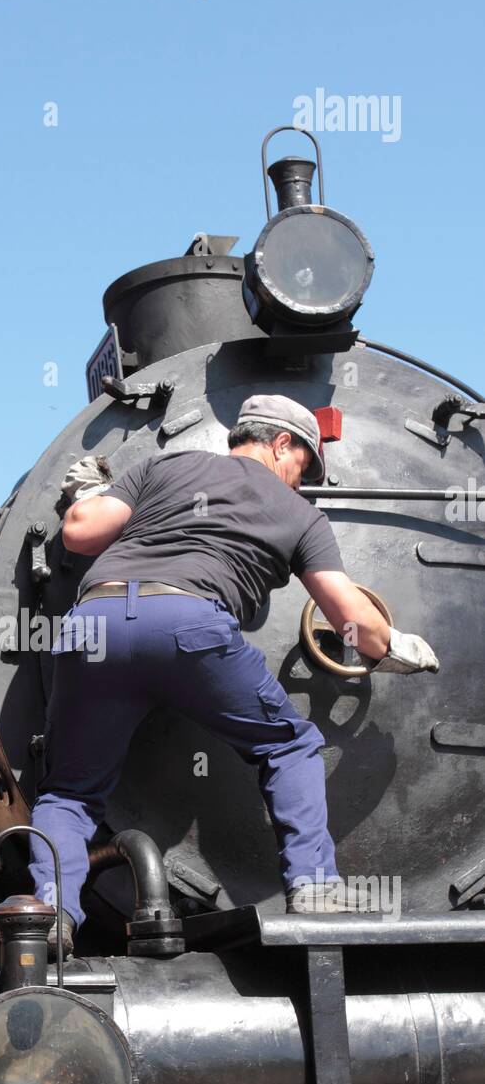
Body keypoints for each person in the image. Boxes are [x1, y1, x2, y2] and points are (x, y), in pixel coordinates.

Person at [28, 394, 439, 957]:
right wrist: (395, 645)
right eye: (304, 466)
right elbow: (349, 618)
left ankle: (51, 916)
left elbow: (79, 531)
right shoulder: (298, 513)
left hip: (92, 624)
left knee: (70, 792)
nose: (302, 480)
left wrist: (91, 492)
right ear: (281, 443)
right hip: (188, 624)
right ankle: (315, 886)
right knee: (291, 746)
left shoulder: (165, 466)